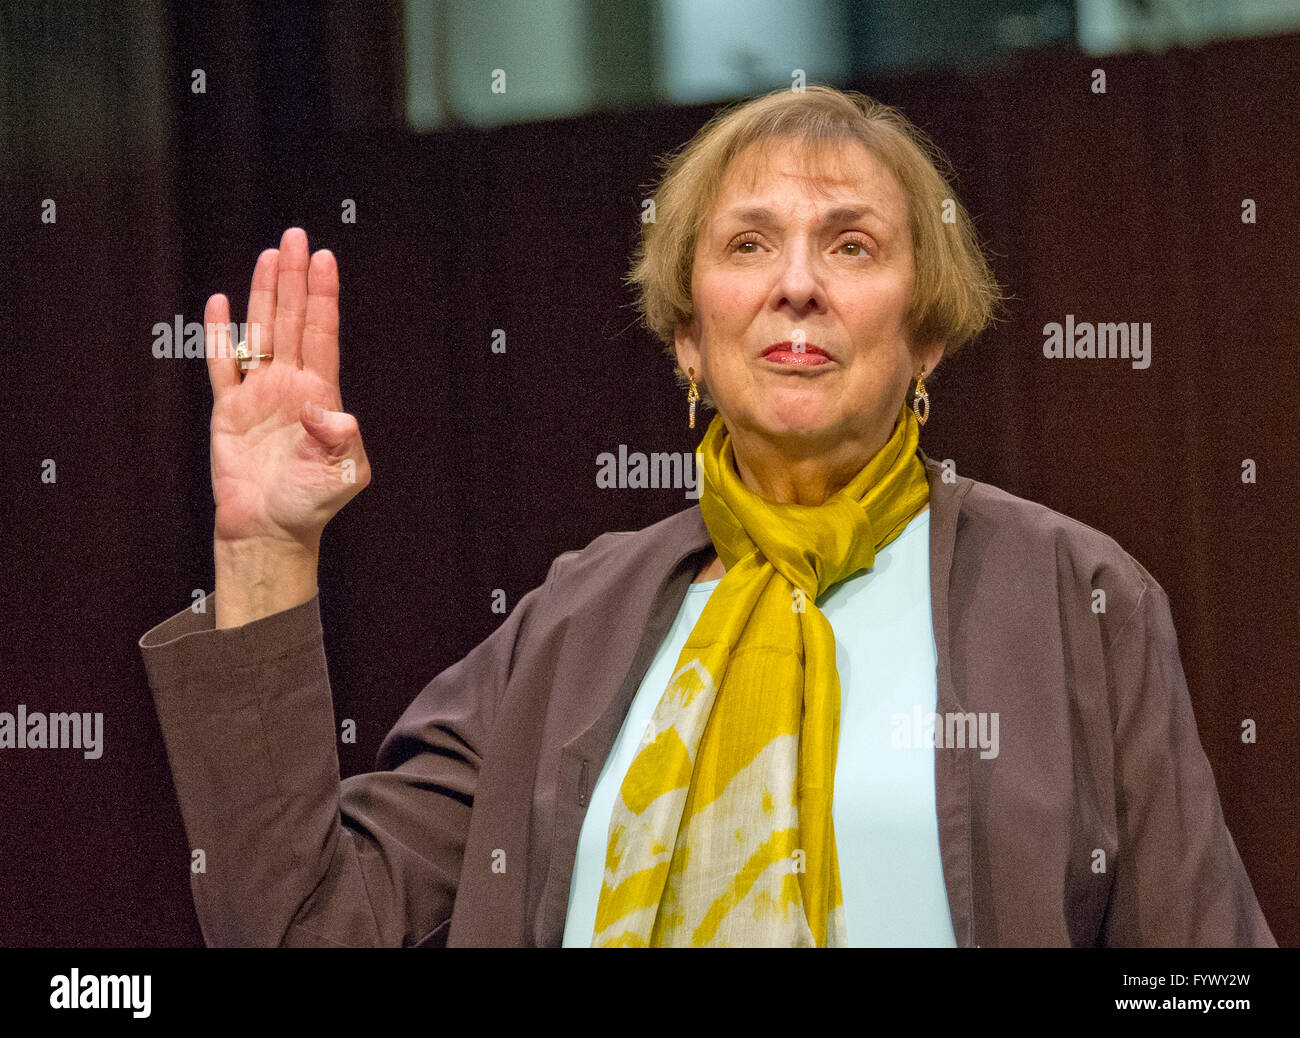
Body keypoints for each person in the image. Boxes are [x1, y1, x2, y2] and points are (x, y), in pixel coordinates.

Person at [139, 85, 1275, 947]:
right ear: (689, 336)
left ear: (926, 333)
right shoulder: (575, 624)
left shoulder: (1075, 598)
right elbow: (297, 928)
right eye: (747, 244)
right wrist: (269, 553)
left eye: (850, 244)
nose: (796, 284)